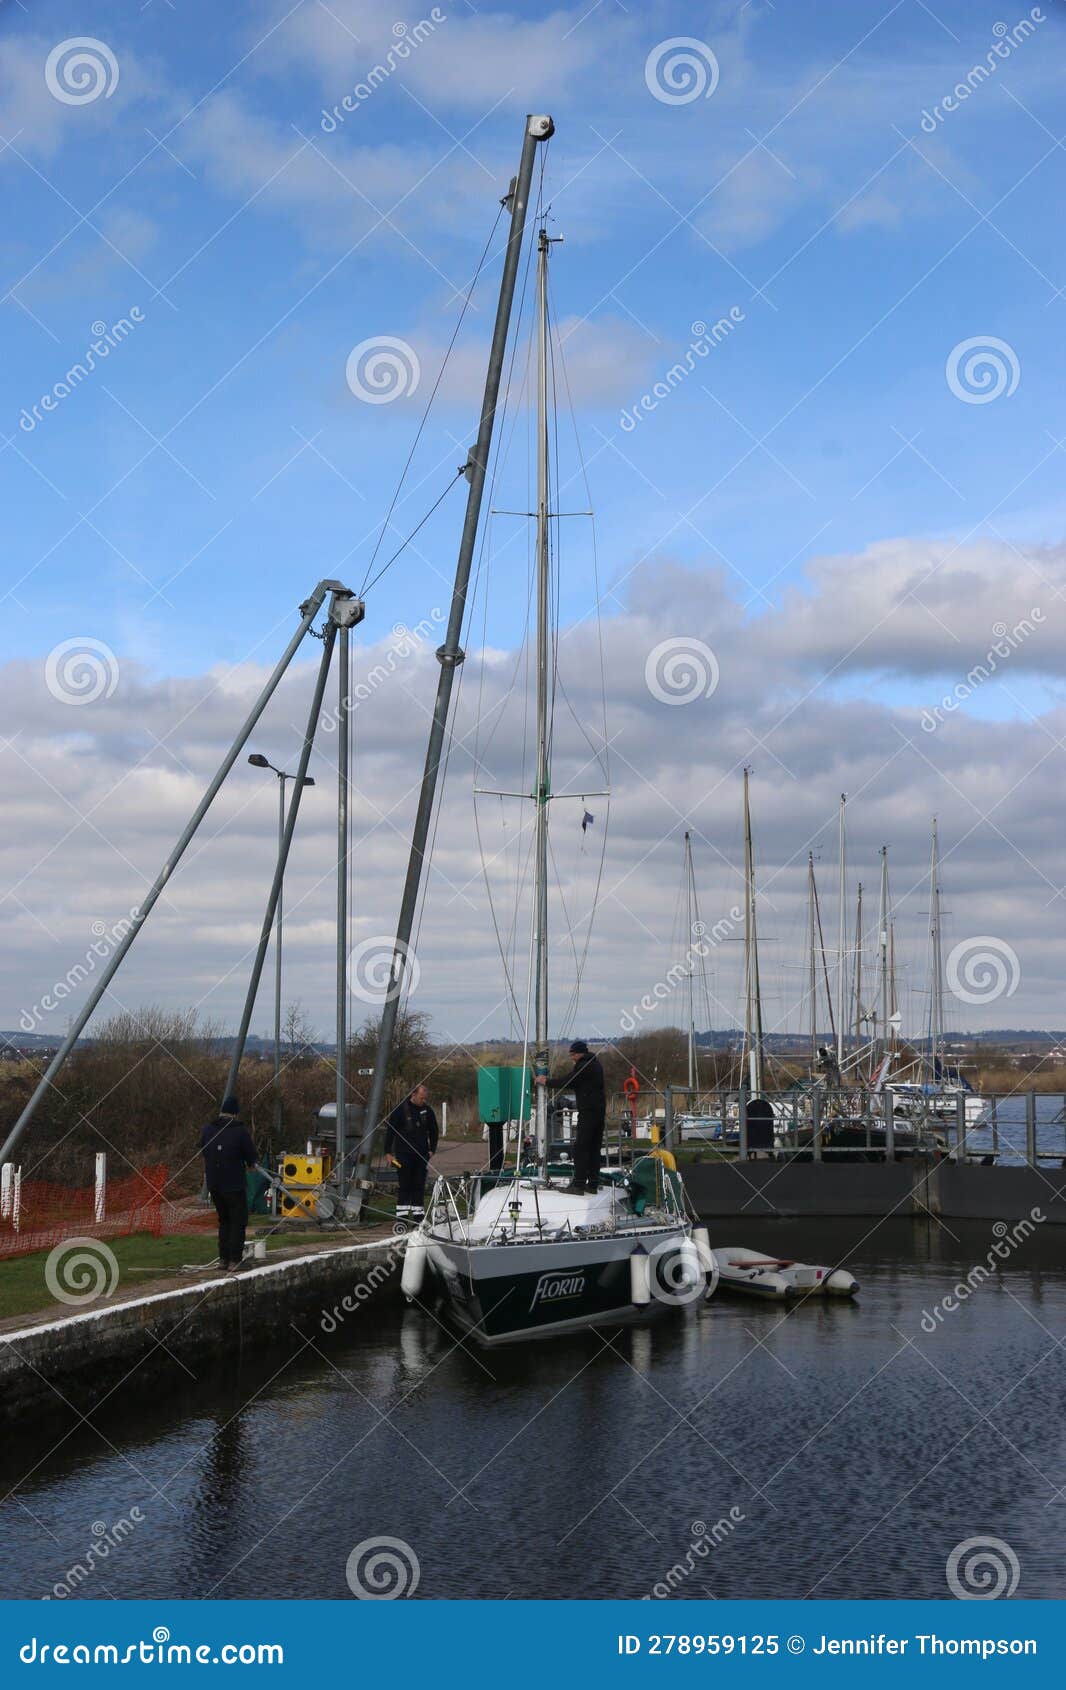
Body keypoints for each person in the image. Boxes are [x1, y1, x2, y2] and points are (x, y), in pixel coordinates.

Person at [536, 1040, 606, 1195]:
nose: (572, 1058)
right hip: (599, 1112)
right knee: (594, 1148)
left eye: (573, 1054)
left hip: (589, 1112)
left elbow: (568, 1081)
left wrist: (546, 1081)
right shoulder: (596, 1064)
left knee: (581, 1148)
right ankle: (593, 1184)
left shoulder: (584, 1066)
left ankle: (578, 1185)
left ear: (580, 1053)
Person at [200, 1096, 257, 1271]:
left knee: (224, 1220)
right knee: (238, 1221)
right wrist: (250, 1163)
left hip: (214, 1183)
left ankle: (223, 1259)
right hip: (233, 1183)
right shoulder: (240, 1131)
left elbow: (204, 1150)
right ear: (235, 1114)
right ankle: (235, 1260)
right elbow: (251, 1157)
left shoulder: (208, 1129)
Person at [384, 1082, 439, 1223]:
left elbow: (434, 1131)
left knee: (419, 1185)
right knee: (405, 1185)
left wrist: (432, 1149)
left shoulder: (427, 1111)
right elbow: (390, 1131)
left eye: (425, 1098)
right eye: (421, 1098)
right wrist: (388, 1152)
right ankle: (402, 1218)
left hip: (421, 1155)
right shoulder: (400, 1110)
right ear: (413, 1095)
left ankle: (418, 1217)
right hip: (403, 1154)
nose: (423, 1101)